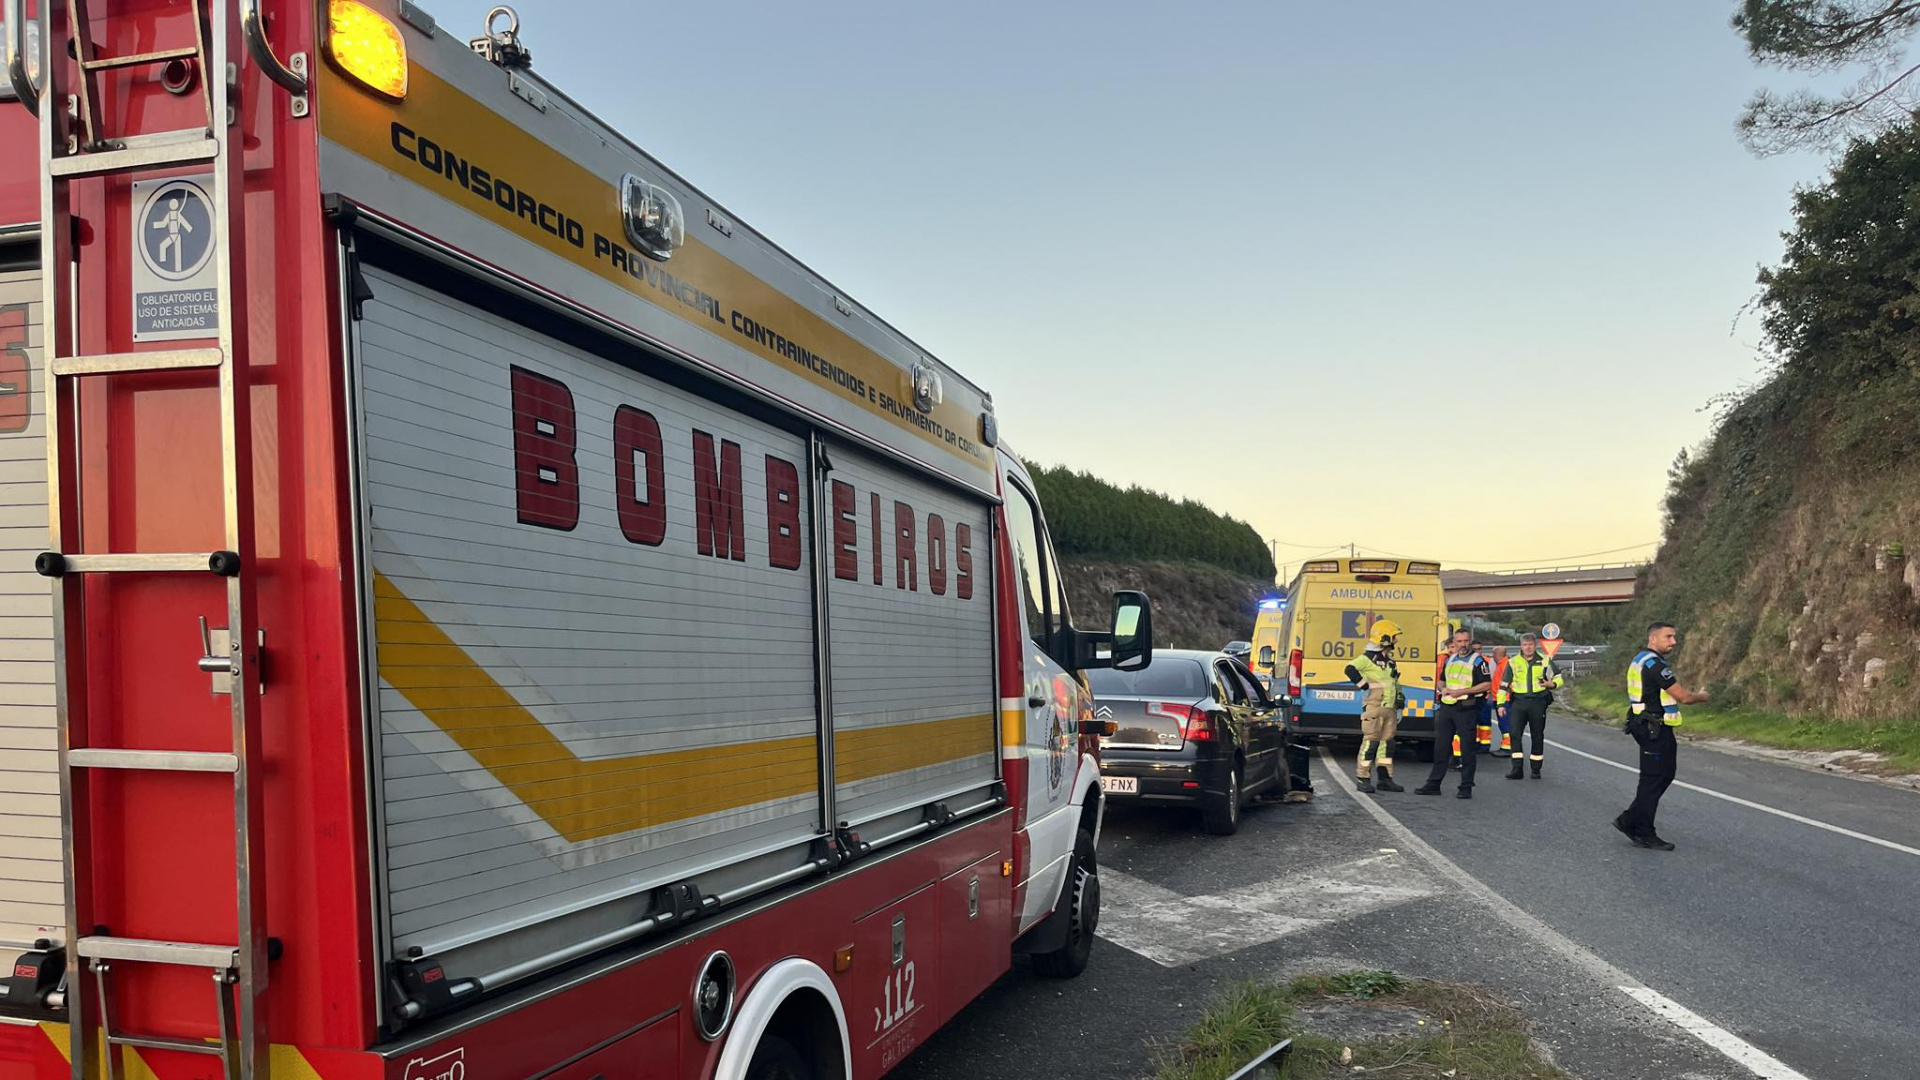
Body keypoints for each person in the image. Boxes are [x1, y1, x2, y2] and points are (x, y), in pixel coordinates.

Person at [1613, 622, 1709, 850]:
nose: (1673, 642)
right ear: (1653, 639)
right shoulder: (1655, 665)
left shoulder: (1641, 659)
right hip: (1652, 729)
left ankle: (1630, 820)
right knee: (1654, 779)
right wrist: (1703, 696)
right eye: (1669, 637)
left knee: (1661, 776)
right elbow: (1683, 697)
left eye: (1674, 637)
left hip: (1648, 725)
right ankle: (1642, 830)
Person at [1418, 629, 1491, 798]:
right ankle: (1433, 784)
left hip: (1466, 708)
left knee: (1467, 750)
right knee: (1441, 748)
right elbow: (1441, 679)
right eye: (1459, 641)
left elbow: (1487, 684)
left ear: (1470, 642)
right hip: (1447, 707)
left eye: (1465, 641)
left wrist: (1463, 691)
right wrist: (1442, 688)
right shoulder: (1450, 659)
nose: (1463, 644)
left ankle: (1465, 787)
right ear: (1454, 642)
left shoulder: (1478, 661)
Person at [1346, 619, 1405, 794]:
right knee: (1370, 744)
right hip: (1374, 708)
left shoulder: (1389, 661)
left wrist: (1400, 698)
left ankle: (1385, 779)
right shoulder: (1366, 659)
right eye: (1394, 637)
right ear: (1384, 638)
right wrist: (1364, 685)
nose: (1396, 641)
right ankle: (1363, 778)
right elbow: (1349, 669)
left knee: (1387, 745)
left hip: (1389, 708)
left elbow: (1394, 681)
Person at [1499, 634, 1563, 779]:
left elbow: (1559, 678)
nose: (1528, 647)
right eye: (1525, 644)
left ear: (1535, 645)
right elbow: (1503, 685)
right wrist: (1501, 704)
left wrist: (1551, 684)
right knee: (1514, 734)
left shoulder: (1544, 661)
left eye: (1530, 644)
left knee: (1537, 735)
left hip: (1537, 702)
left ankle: (1535, 769)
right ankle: (1517, 768)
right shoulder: (1513, 662)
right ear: (1521, 646)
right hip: (1519, 702)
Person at [1482, 645, 1511, 755]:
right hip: (1502, 699)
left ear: (1498, 654)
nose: (1492, 656)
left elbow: (1508, 682)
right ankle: (1506, 746)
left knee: (1505, 724)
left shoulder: (1504, 665)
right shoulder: (1503, 664)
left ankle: (1507, 748)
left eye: (1493, 654)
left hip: (1504, 700)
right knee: (1504, 723)